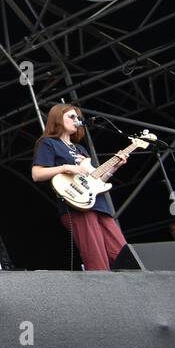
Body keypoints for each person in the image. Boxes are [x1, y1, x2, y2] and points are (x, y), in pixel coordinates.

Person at [31, 103, 130, 270]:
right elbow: (37, 174)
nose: (76, 120)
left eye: (78, 117)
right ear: (57, 119)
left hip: (99, 205)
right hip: (77, 206)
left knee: (123, 254)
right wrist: (66, 167)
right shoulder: (49, 143)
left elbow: (95, 179)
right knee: (97, 258)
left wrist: (115, 166)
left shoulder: (81, 149)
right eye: (71, 116)